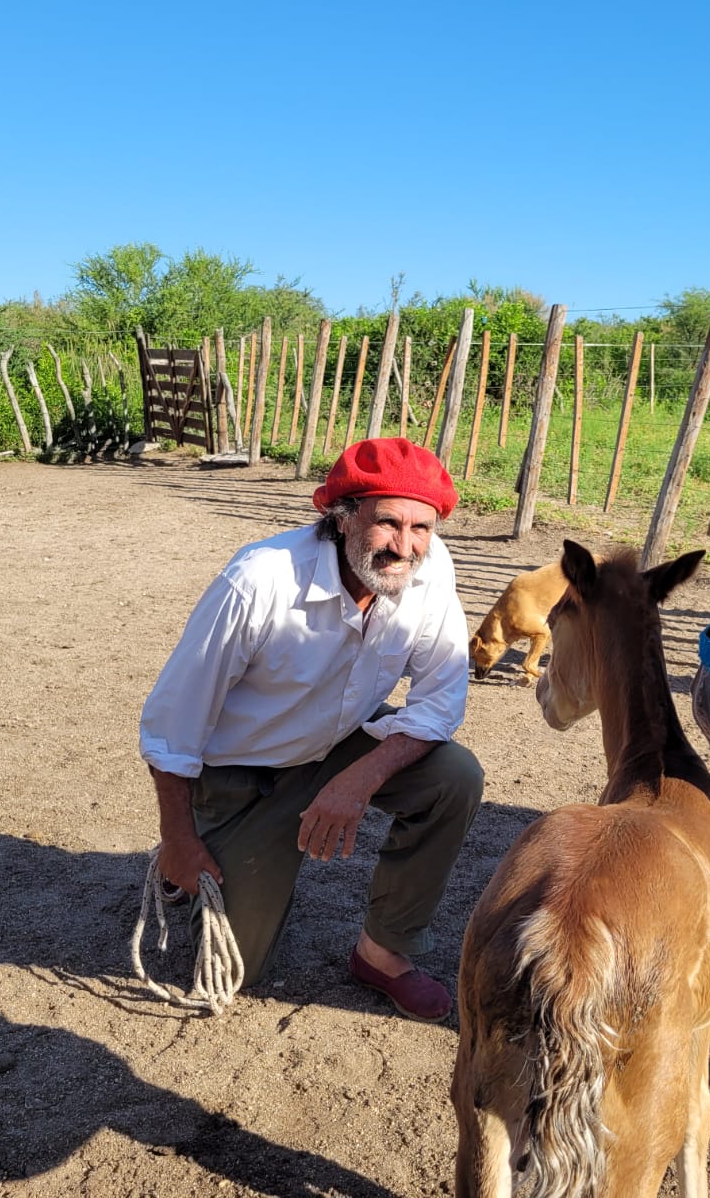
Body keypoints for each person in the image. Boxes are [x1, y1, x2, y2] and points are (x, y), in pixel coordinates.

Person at [139, 437, 483, 1022]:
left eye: (422, 527)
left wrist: (359, 779)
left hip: (340, 742)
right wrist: (177, 839)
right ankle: (192, 867)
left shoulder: (430, 570)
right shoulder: (260, 581)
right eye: (388, 523)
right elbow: (172, 726)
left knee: (454, 776)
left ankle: (382, 953)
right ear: (343, 518)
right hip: (244, 771)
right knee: (241, 970)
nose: (405, 546)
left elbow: (439, 702)